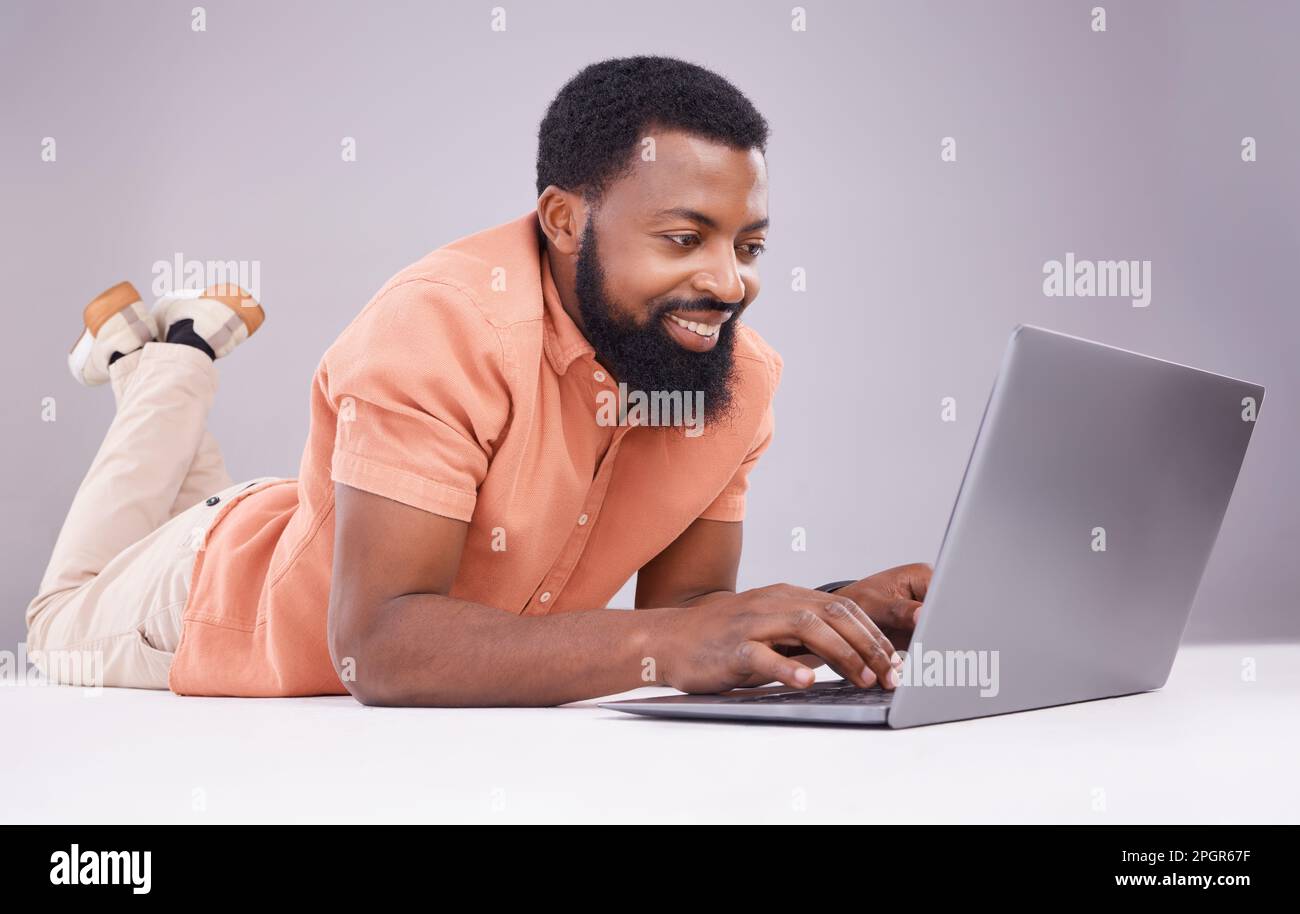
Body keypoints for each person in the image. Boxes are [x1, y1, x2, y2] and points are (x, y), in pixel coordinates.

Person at [26, 55, 931, 705]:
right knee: (56, 616)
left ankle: (167, 362)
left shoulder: (734, 381)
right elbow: (379, 648)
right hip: (210, 597)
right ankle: (172, 356)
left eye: (750, 246)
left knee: (215, 500)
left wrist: (833, 612)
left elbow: (689, 616)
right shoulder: (440, 324)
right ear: (565, 219)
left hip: (313, 520)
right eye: (685, 239)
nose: (731, 283)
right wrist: (673, 641)